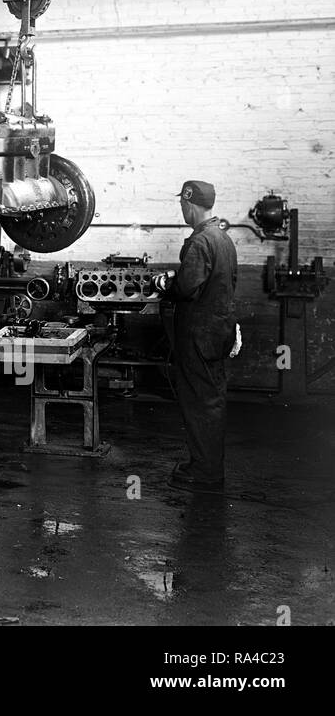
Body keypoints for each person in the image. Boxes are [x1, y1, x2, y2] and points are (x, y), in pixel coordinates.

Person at [156, 180, 240, 494]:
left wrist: (167, 284)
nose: (181, 208)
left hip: (198, 332)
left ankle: (204, 471)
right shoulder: (224, 239)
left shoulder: (201, 241)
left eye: (182, 204)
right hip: (219, 329)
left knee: (198, 401)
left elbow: (188, 287)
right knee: (212, 398)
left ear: (189, 205)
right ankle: (209, 466)